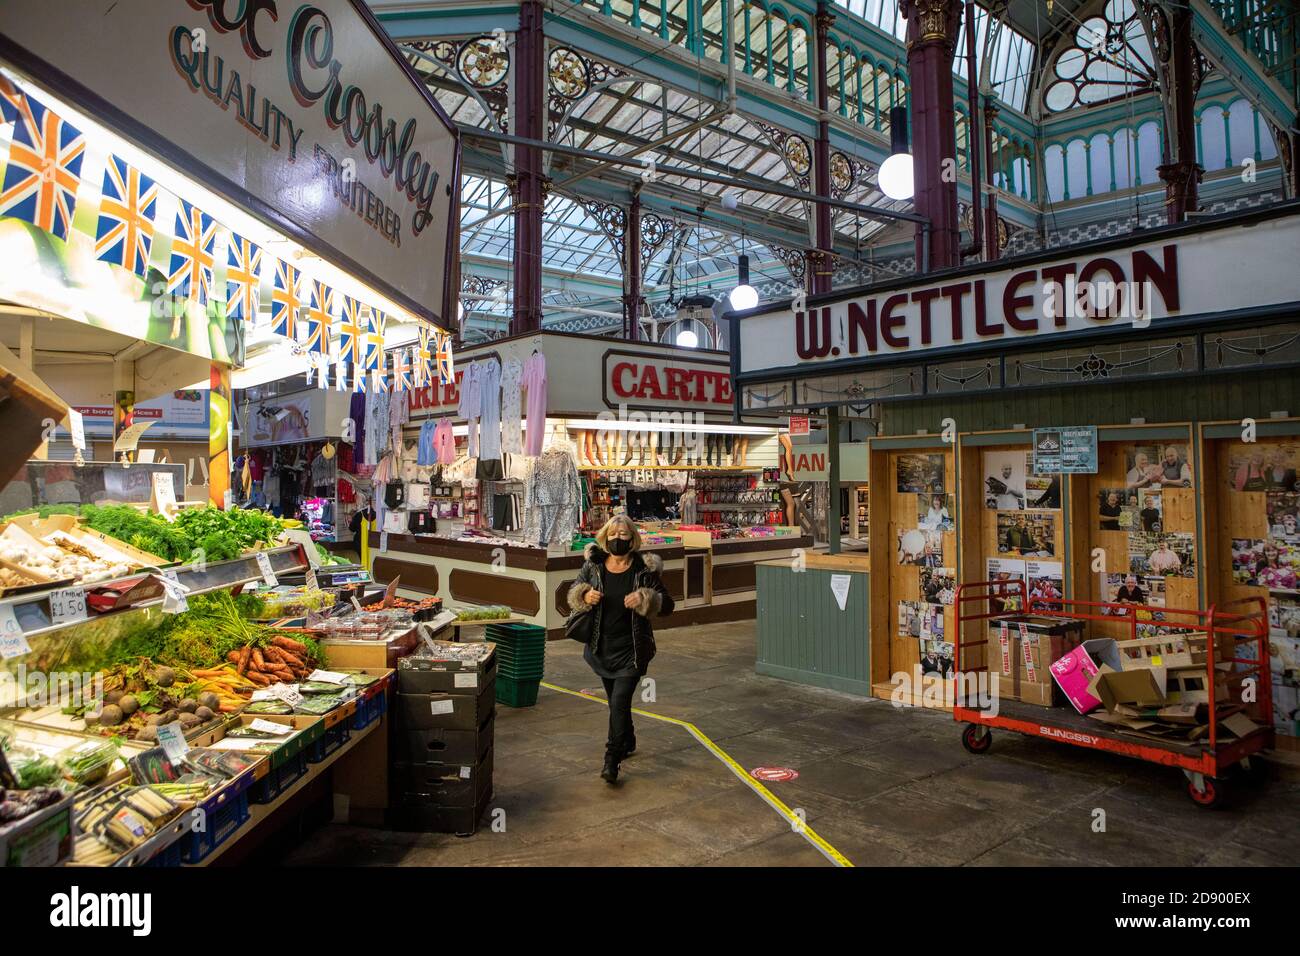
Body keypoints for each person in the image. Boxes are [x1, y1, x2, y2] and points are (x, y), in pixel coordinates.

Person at [566, 515, 674, 784]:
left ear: (633, 538)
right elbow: (572, 592)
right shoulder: (594, 566)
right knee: (617, 703)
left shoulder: (643, 569)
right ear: (604, 537)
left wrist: (645, 597)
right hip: (602, 647)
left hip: (633, 649)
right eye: (612, 534)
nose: (617, 539)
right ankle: (628, 738)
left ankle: (611, 759)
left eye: (624, 534)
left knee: (618, 701)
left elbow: (668, 605)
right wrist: (584, 595)